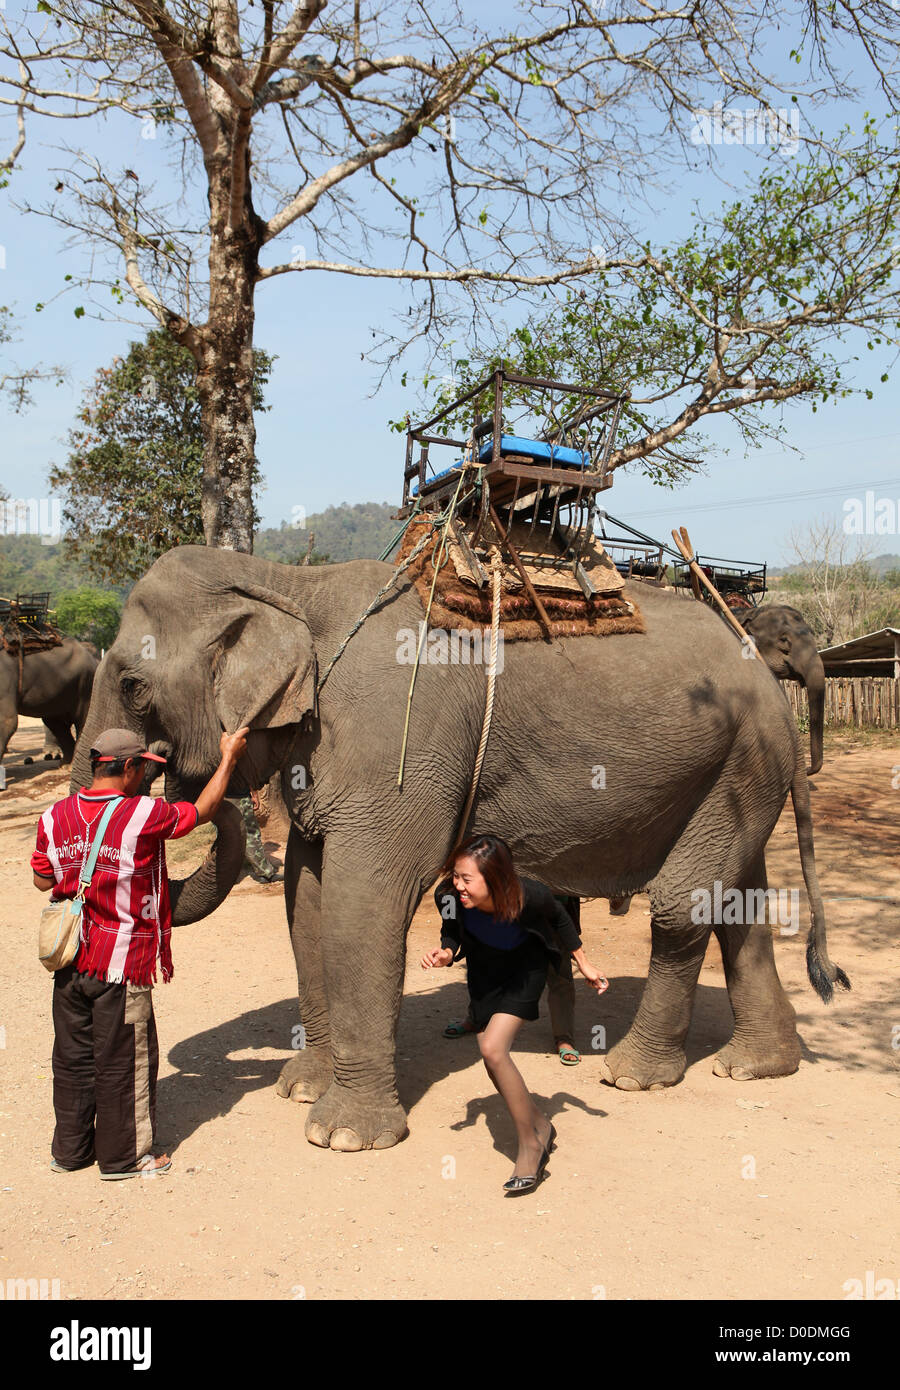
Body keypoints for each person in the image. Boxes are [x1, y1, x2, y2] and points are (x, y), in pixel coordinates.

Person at [31, 725, 248, 1179]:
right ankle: (124, 1158)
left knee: (72, 1058)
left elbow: (43, 881)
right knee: (122, 1059)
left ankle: (69, 1153)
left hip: (68, 961)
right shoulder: (142, 814)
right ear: (127, 767)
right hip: (119, 960)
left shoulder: (53, 817)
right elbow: (201, 812)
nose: (143, 779)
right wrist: (228, 757)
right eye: (142, 770)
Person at [421, 834, 608, 1196]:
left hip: (525, 971)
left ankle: (530, 1146)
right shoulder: (448, 897)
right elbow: (451, 932)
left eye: (466, 878)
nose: (457, 885)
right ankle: (540, 1124)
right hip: (484, 975)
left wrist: (583, 963)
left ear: (494, 878)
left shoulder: (529, 895)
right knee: (492, 1057)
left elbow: (559, 917)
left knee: (493, 1048)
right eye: (455, 875)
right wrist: (445, 953)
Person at [442, 894, 583, 1065]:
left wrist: (584, 962)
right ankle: (476, 1019)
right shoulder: (453, 892)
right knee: (485, 965)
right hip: (506, 909)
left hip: (549, 908)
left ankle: (564, 1038)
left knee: (559, 975)